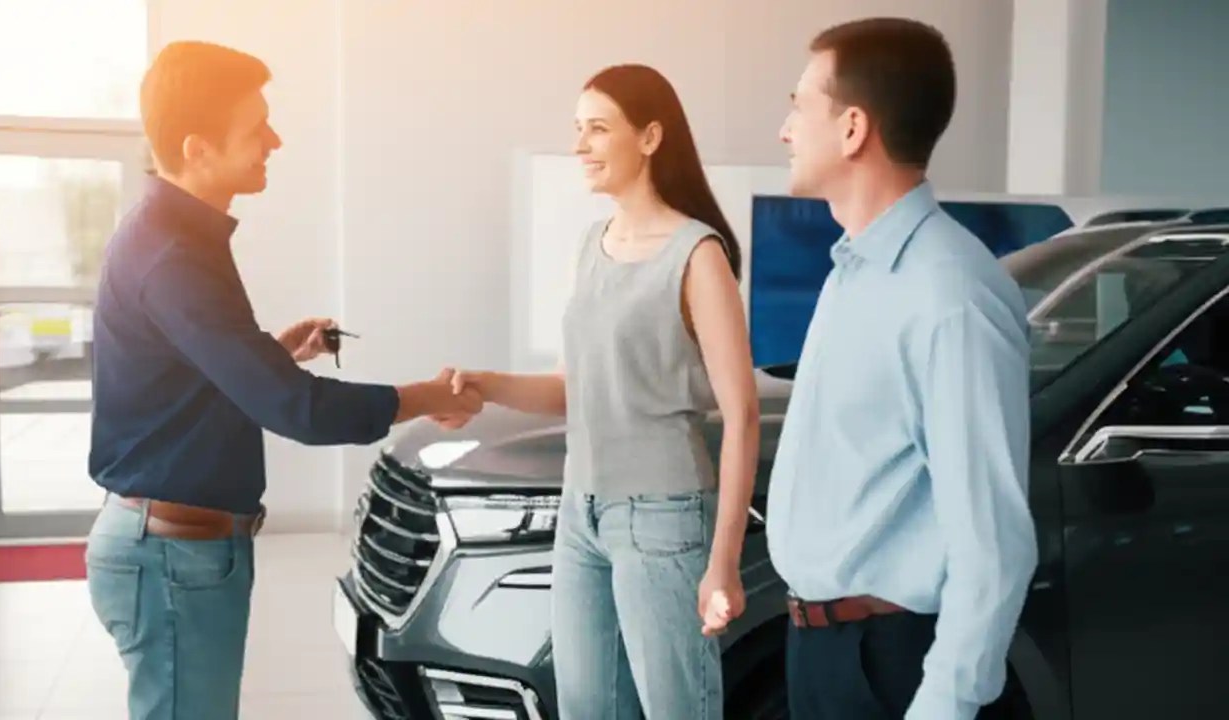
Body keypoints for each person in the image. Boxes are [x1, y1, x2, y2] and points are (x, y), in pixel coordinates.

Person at [84, 40, 481, 720]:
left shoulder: (177, 239)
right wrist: (426, 399)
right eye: (254, 128)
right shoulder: (172, 254)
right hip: (172, 560)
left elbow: (190, 379)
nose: (274, 140)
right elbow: (295, 410)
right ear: (196, 148)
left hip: (180, 551)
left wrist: (271, 352)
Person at [439, 64, 760, 719]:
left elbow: (744, 414)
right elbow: (569, 388)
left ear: (649, 137)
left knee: (677, 708)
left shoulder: (698, 255)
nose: (580, 145)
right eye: (577, 130)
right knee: (586, 708)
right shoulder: (592, 245)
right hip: (580, 509)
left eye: (597, 129)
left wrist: (723, 562)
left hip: (662, 513)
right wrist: (487, 385)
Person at [767, 17, 1038, 720]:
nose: (785, 130)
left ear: (853, 128)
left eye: (799, 105)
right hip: (822, 653)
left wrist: (942, 705)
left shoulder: (949, 295)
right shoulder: (852, 272)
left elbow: (995, 548)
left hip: (894, 667)